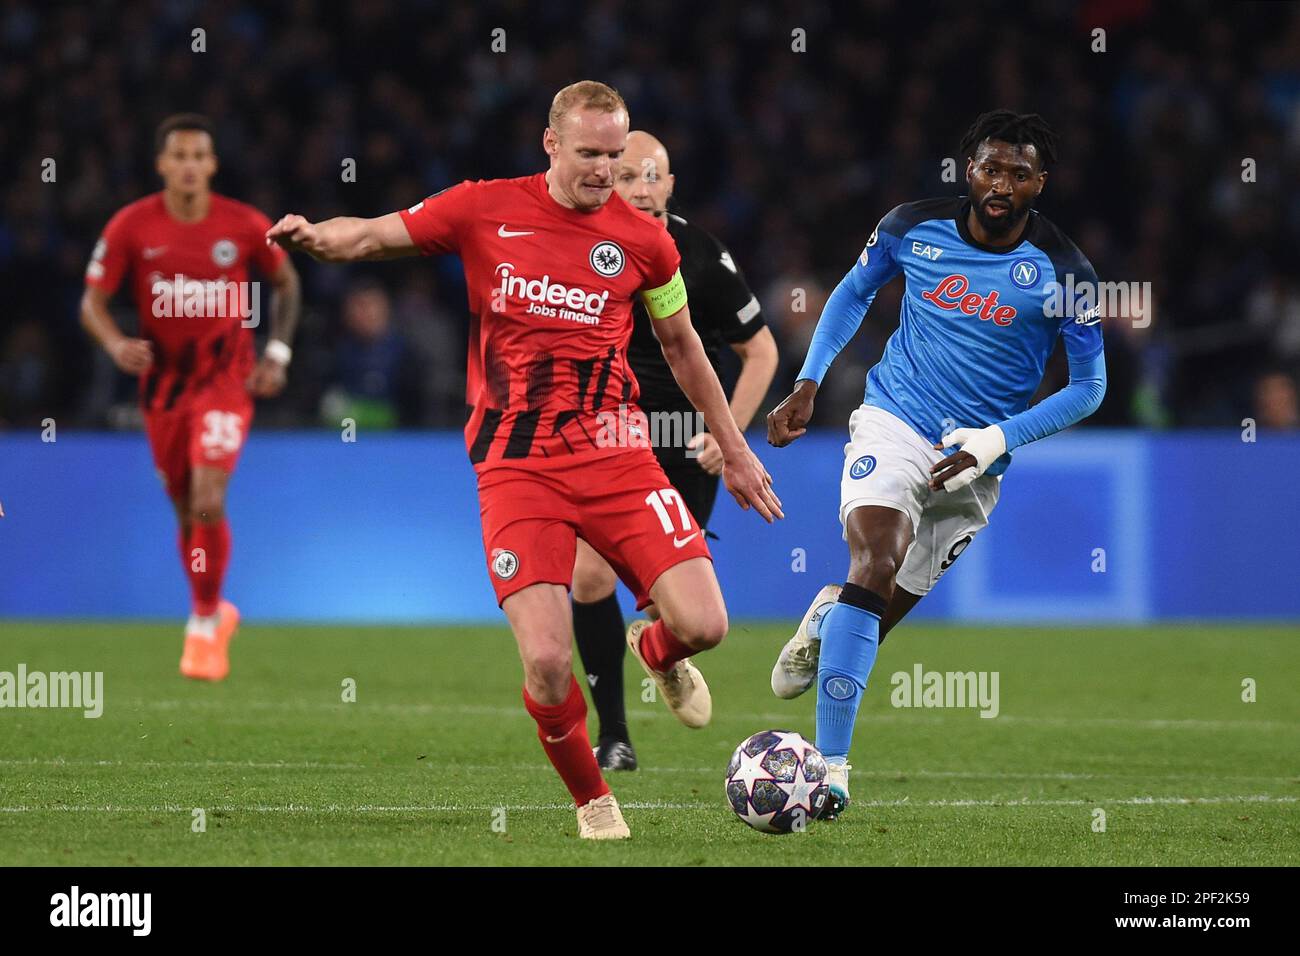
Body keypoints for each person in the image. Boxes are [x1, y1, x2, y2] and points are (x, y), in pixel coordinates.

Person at [266, 81, 781, 840]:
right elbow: (375, 234)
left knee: (706, 625)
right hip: (517, 466)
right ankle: (593, 800)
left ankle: (658, 651)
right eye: (590, 153)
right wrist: (318, 236)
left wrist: (734, 449)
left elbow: (684, 348)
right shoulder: (483, 208)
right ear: (551, 145)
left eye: (616, 154)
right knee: (545, 661)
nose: (606, 170)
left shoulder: (647, 243)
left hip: (617, 456)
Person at [766, 111, 1107, 819]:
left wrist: (994, 441)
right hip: (896, 419)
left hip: (976, 462)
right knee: (875, 559)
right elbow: (855, 292)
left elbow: (1088, 388)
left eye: (1019, 173)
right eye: (989, 167)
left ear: (1040, 183)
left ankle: (829, 620)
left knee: (874, 613)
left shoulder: (1065, 272)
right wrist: (810, 380)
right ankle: (831, 772)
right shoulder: (908, 228)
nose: (1000, 184)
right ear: (968, 169)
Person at [570, 130, 778, 771]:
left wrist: (726, 434)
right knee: (590, 576)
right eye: (626, 175)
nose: (637, 187)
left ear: (670, 184)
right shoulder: (579, 245)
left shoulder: (697, 255)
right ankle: (614, 735)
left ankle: (660, 651)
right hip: (608, 434)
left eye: (649, 176)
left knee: (681, 615)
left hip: (684, 442)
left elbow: (761, 351)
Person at [80, 113, 302, 682]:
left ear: (212, 165)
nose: (188, 166)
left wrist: (277, 352)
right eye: (178, 156)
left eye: (198, 156)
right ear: (161, 165)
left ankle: (202, 621)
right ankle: (213, 609)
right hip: (164, 389)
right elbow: (91, 304)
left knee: (207, 493)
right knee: (185, 508)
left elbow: (286, 282)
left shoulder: (243, 224)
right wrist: (114, 345)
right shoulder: (132, 226)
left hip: (227, 381)